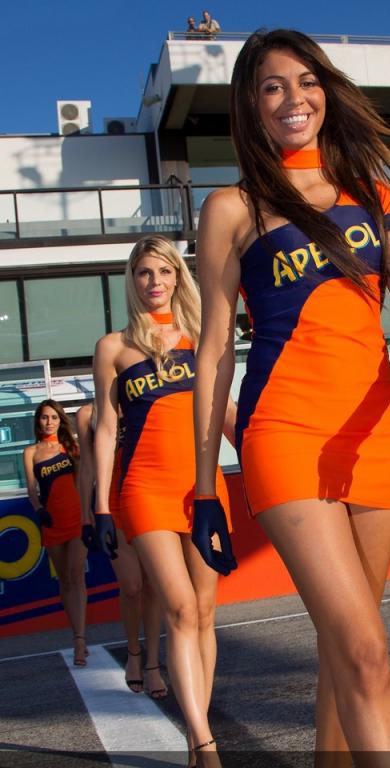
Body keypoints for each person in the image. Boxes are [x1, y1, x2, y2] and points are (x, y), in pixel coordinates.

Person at [193, 29, 390, 766]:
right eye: (272, 86)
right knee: (367, 652)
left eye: (306, 81)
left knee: (346, 651)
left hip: (374, 430)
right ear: (251, 106)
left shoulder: (373, 193)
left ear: (326, 89)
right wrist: (203, 485)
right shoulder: (232, 207)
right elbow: (214, 348)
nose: (293, 98)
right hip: (283, 430)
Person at [92, 235, 236, 767]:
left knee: (203, 610)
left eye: (163, 272)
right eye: (143, 273)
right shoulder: (114, 348)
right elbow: (107, 431)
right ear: (132, 282)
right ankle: (202, 739)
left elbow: (226, 414)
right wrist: (100, 507)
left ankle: (199, 730)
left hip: (202, 487)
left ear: (179, 277)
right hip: (145, 490)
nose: (154, 282)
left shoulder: (203, 337)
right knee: (177, 607)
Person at [76, 402, 167, 699]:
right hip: (112, 504)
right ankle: (133, 653)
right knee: (132, 586)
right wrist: (86, 516)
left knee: (153, 586)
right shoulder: (88, 414)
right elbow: (87, 465)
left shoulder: (140, 394)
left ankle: (152, 663)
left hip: (147, 494)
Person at [23, 399, 89, 666]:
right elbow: (31, 489)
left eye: (53, 417)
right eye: (44, 417)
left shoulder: (71, 447)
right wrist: (39, 508)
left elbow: (86, 479)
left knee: (76, 575)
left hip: (77, 519)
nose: (49, 422)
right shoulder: (30, 452)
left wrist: (90, 512)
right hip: (51, 521)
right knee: (65, 581)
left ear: (61, 420)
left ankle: (80, 641)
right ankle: (77, 633)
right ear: (38, 421)